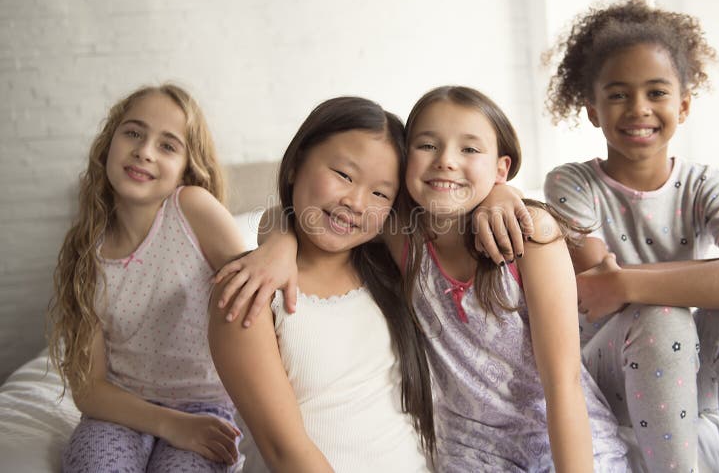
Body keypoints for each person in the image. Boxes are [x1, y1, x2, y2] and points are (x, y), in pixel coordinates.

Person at [218, 87, 629, 472]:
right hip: (469, 456)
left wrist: (503, 194)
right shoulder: (399, 235)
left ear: (501, 167)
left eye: (469, 148)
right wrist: (278, 243)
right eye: (427, 145)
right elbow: (299, 215)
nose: (446, 160)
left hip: (566, 444)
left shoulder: (529, 235)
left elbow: (564, 385)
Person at [541, 0, 719, 472]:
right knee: (661, 316)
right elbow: (598, 291)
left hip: (689, 371)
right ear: (592, 109)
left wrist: (626, 281)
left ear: (683, 105)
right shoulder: (571, 184)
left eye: (656, 92)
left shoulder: (706, 183)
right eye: (618, 95)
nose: (639, 109)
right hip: (611, 370)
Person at [208, 97, 435, 472]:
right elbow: (285, 452)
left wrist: (502, 194)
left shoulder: (391, 267)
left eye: (380, 193)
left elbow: (466, 207)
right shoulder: (250, 290)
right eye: (344, 175)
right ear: (296, 164)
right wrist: (279, 240)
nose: (356, 202)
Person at [48, 84, 245, 472]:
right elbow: (89, 389)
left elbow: (257, 286)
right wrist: (169, 425)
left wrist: (281, 247)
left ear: (187, 167)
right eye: (133, 133)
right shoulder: (85, 253)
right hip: (121, 409)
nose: (145, 151)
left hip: (206, 407)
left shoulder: (192, 210)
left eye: (167, 145)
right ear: (109, 142)